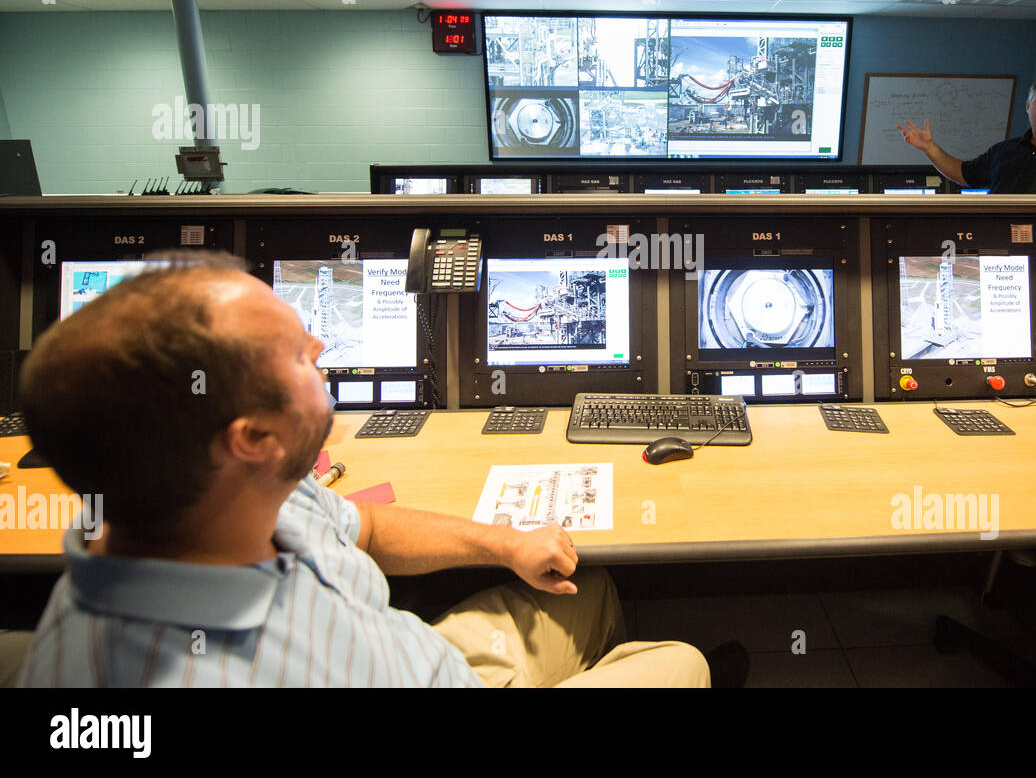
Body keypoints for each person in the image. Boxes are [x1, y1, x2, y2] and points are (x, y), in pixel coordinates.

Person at [16, 252, 713, 687]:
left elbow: (367, 524)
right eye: (296, 352)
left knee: (591, 585)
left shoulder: (199, 491)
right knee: (686, 663)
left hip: (419, 655)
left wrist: (502, 542)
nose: (321, 344)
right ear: (253, 436)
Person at [898, 73, 1036, 194]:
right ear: (1028, 106)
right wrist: (929, 147)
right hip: (999, 246)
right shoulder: (1006, 150)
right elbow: (963, 174)